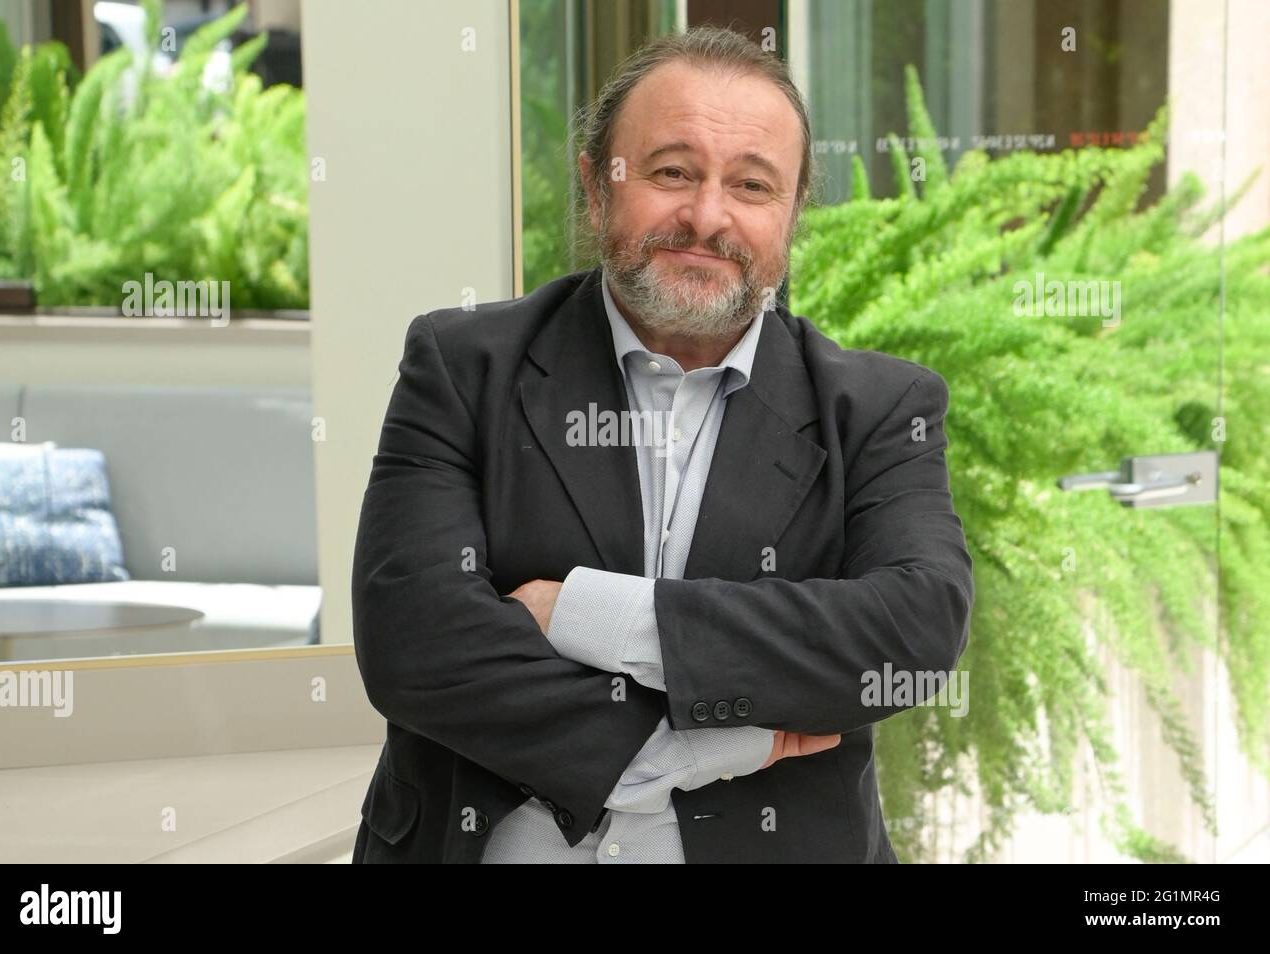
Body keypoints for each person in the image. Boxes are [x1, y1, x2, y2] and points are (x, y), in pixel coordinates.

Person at [350, 25, 973, 864]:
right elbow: (411, 642)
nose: (706, 217)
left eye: (752, 185)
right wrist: (674, 750)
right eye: (672, 172)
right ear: (596, 186)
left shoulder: (879, 406)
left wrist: (586, 613)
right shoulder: (463, 367)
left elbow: (914, 628)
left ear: (791, 215)